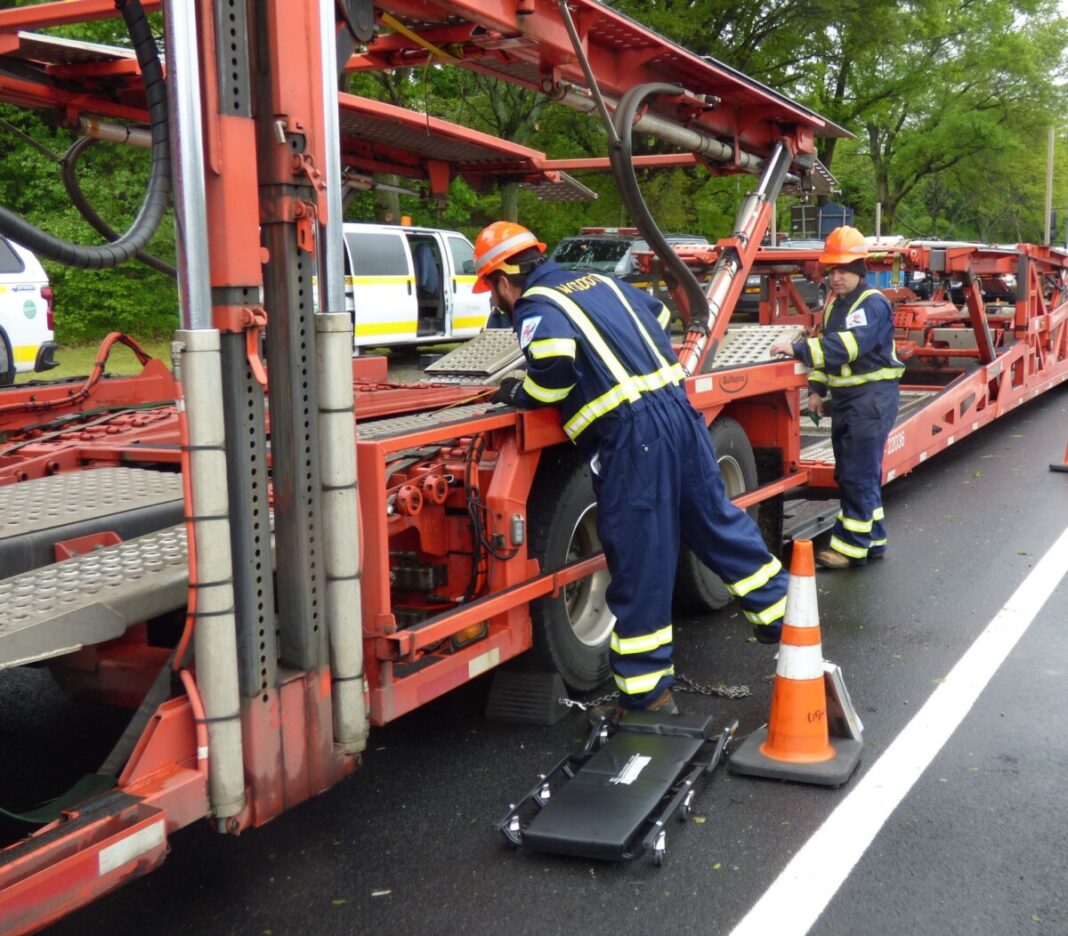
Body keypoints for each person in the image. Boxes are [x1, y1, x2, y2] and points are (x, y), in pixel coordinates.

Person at [473, 220, 788, 716]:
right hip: (678, 412)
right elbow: (659, 314)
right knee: (713, 519)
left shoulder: (537, 304)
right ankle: (785, 618)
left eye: (494, 291)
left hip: (633, 435)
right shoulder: (598, 282)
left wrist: (520, 393)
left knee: (641, 554)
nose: (499, 302)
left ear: (504, 281)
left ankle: (647, 692)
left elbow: (553, 369)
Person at [769, 226, 904, 570]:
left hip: (871, 399)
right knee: (853, 472)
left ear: (860, 269)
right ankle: (873, 539)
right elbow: (828, 354)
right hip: (849, 400)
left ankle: (851, 548)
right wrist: (816, 389)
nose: (836, 277)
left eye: (843, 270)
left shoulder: (871, 305)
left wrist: (798, 349)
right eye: (832, 270)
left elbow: (847, 347)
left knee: (857, 473)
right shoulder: (835, 306)